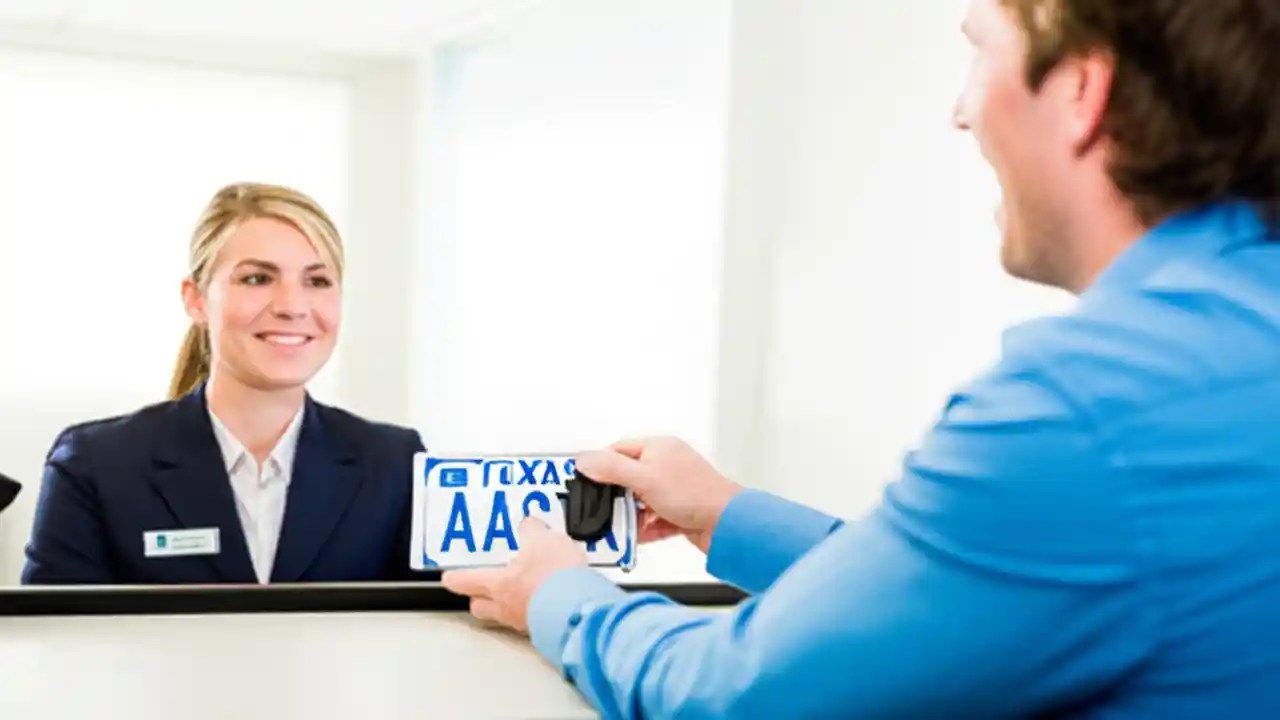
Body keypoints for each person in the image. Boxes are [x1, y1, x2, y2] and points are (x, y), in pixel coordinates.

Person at [441, 0, 1280, 716]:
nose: (960, 112)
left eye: (979, 51)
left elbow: (736, 695)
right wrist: (723, 511)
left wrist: (556, 593)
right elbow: (959, 599)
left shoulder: (1091, 407)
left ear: (1080, 93)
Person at [23, 182, 431, 585]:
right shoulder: (95, 466)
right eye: (257, 279)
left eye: (317, 281)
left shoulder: (395, 467)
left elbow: (437, 638)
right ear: (195, 299)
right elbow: (60, 644)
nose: (291, 307)